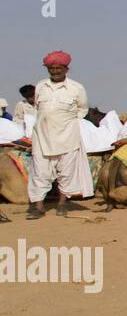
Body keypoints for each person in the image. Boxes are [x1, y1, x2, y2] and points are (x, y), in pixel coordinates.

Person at [27, 51, 93, 219]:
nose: (55, 71)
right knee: (40, 172)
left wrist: (66, 123)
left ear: (66, 69)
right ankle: (38, 207)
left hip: (67, 137)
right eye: (51, 68)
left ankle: (62, 204)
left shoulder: (76, 88)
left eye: (58, 68)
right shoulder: (41, 86)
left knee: (66, 172)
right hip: (42, 137)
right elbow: (37, 109)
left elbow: (82, 109)